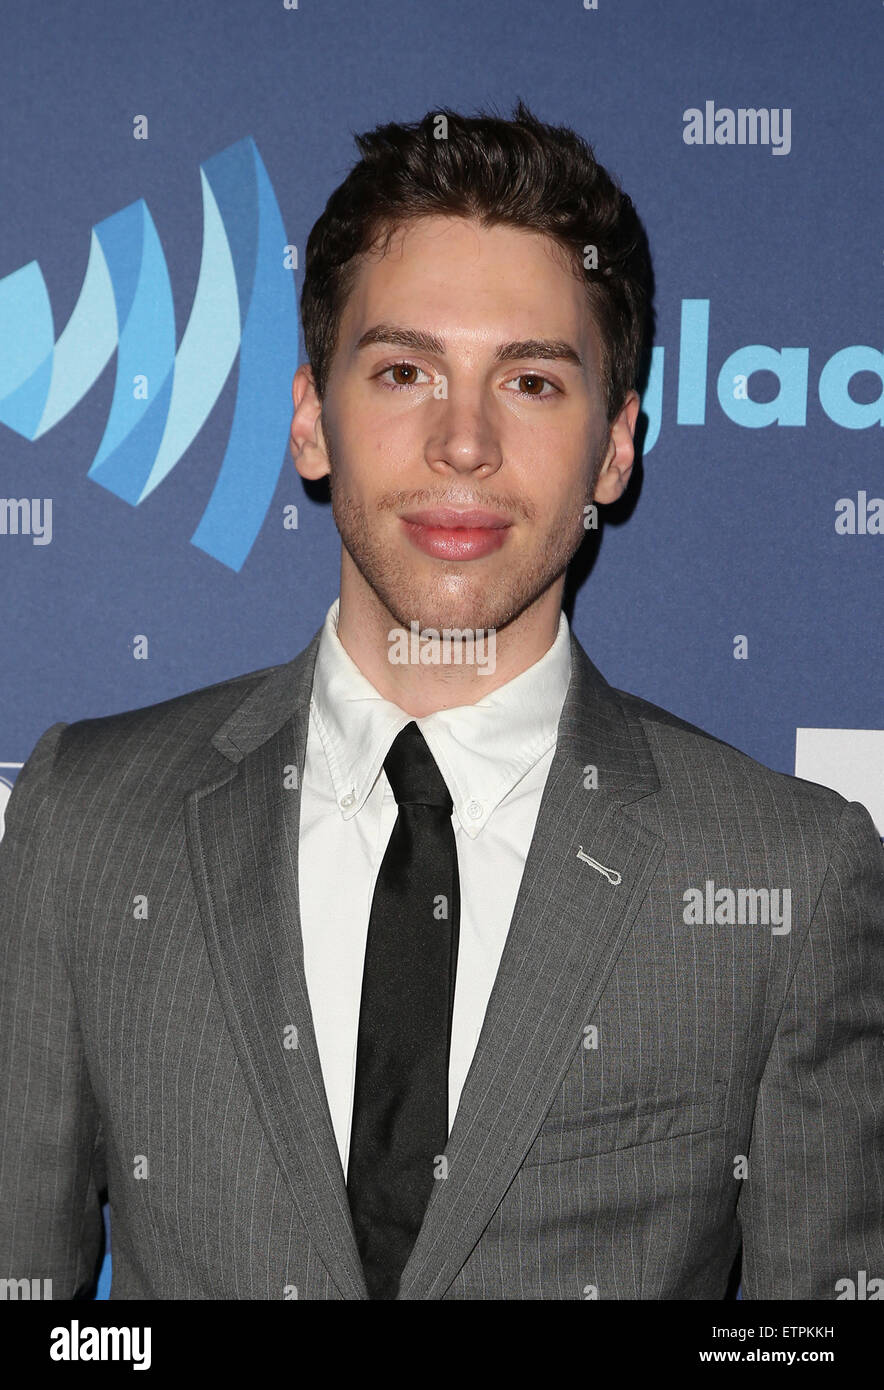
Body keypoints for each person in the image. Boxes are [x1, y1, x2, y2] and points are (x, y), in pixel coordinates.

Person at [1, 102, 881, 1301]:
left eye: (528, 380)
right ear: (309, 420)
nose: (461, 442)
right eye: (405, 370)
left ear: (614, 449)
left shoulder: (787, 873)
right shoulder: (87, 823)